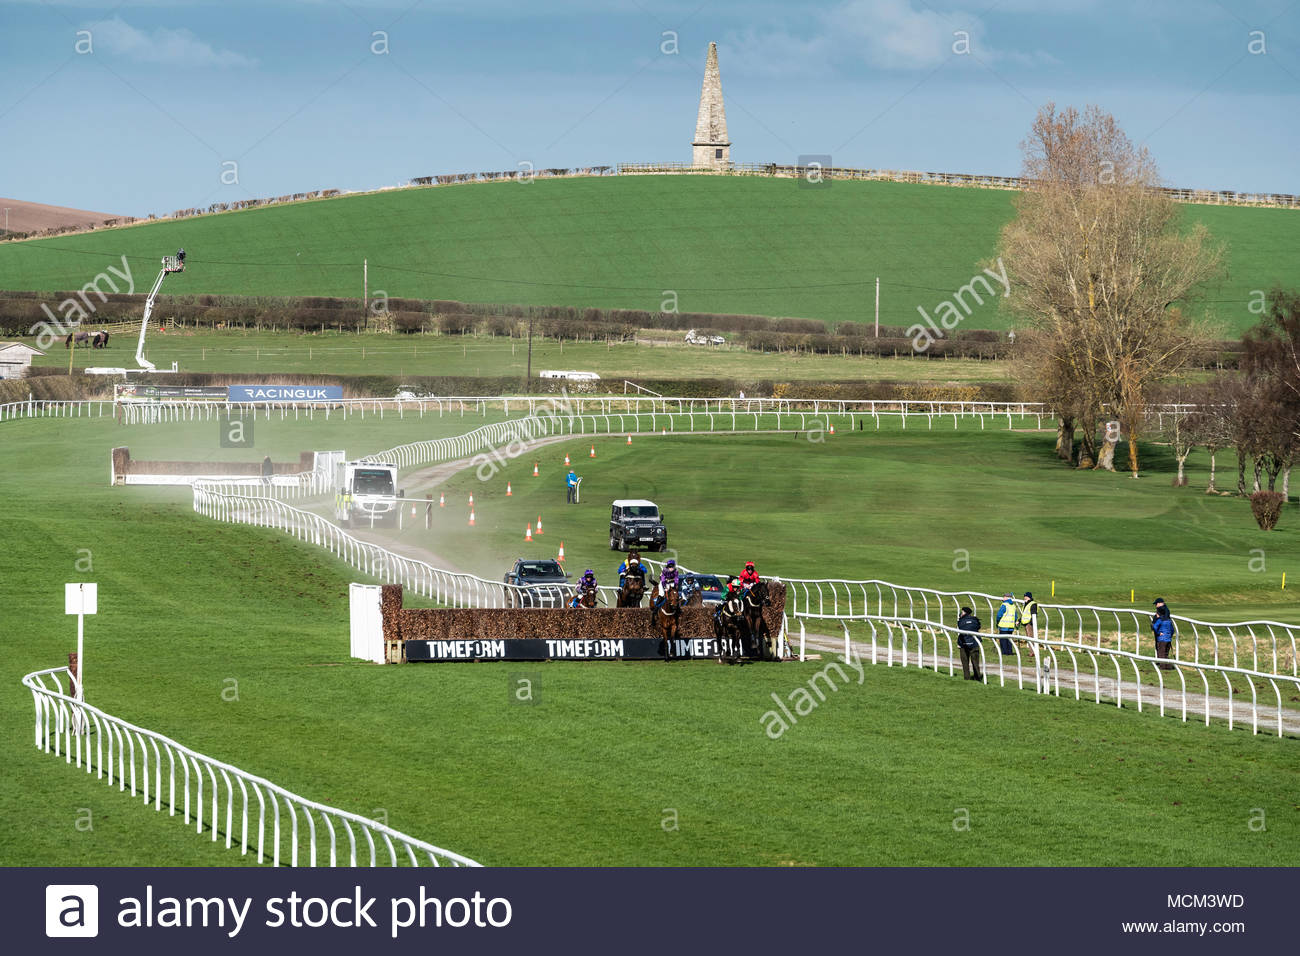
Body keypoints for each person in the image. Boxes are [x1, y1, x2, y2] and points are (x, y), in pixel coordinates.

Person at [956, 606, 983, 681]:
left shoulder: (961, 621)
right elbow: (978, 627)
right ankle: (977, 678)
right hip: (975, 643)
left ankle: (966, 678)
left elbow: (960, 628)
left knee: (965, 662)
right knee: (975, 662)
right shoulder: (975, 620)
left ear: (964, 612)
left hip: (963, 643)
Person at [1151, 598, 1175, 670]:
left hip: (1161, 638)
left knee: (1162, 652)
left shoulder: (1160, 619)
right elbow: (1172, 630)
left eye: (1156, 604)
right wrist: (1169, 635)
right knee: (1165, 653)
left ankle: (1163, 666)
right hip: (1168, 638)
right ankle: (1168, 666)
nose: (1156, 606)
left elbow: (1154, 627)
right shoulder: (1169, 620)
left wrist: (1159, 633)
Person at [1019, 590, 1039, 657]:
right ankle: (1031, 652)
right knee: (1029, 639)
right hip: (1026, 623)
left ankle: (1032, 652)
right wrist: (1019, 621)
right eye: (1024, 596)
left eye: (1026, 597)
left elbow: (1034, 614)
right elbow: (1024, 614)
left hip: (1029, 624)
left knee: (1031, 638)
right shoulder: (1026, 604)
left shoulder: (1033, 604)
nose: (1024, 598)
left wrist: (1030, 623)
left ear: (1029, 597)